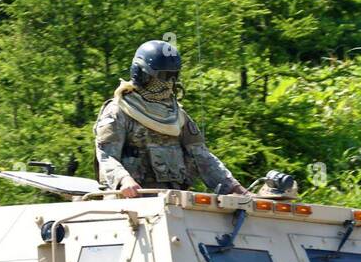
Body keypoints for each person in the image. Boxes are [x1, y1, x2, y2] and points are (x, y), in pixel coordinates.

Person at [94, 40, 248, 198]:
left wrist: (234, 187)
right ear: (142, 74)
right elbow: (106, 155)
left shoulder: (177, 116)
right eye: (161, 76)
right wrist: (124, 180)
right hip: (131, 201)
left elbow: (203, 157)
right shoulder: (119, 111)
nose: (168, 83)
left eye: (172, 76)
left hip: (174, 201)